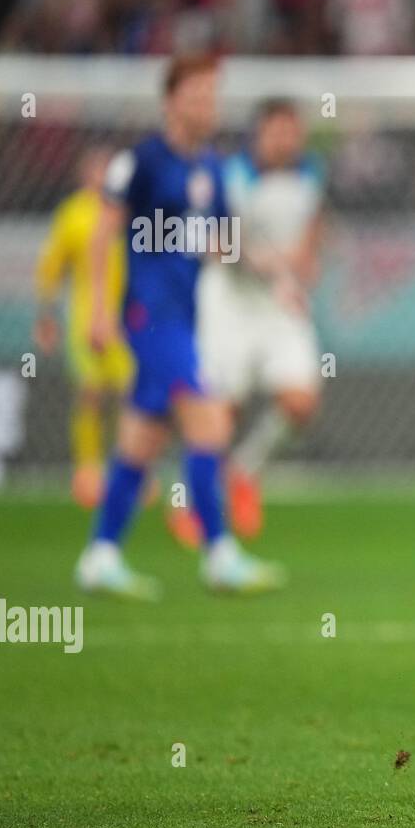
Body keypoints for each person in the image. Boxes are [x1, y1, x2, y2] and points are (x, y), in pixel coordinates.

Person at [73, 53, 284, 599]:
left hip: (183, 319)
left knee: (141, 439)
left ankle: (100, 555)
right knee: (209, 421)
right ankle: (219, 553)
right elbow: (103, 235)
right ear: (171, 101)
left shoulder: (209, 168)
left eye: (212, 96)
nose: (206, 105)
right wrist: (98, 310)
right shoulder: (141, 161)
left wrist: (268, 270)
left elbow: (216, 242)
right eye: (196, 95)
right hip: (149, 316)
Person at [171, 98, 326, 544]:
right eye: (276, 130)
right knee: (221, 412)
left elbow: (313, 221)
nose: (285, 140)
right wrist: (274, 269)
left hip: (278, 303)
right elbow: (221, 243)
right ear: (258, 133)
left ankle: (242, 473)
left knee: (300, 402)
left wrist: (306, 259)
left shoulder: (309, 171)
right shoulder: (229, 175)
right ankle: (189, 503)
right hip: (230, 302)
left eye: (292, 131)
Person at [32, 149, 134, 508]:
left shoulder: (131, 211)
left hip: (130, 319)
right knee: (91, 391)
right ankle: (88, 471)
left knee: (131, 396)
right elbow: (52, 268)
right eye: (95, 170)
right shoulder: (73, 214)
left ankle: (131, 470)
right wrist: (45, 316)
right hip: (85, 318)